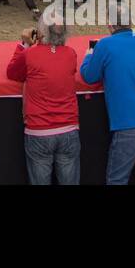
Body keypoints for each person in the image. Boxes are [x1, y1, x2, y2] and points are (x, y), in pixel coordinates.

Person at [79, 8, 135, 185]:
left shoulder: (105, 45)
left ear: (109, 25)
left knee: (117, 179)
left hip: (129, 126)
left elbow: (89, 76)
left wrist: (88, 56)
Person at [7, 16, 80, 185]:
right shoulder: (70, 54)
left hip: (39, 130)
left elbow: (12, 72)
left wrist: (24, 44)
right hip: (68, 129)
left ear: (42, 31)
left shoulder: (30, 53)